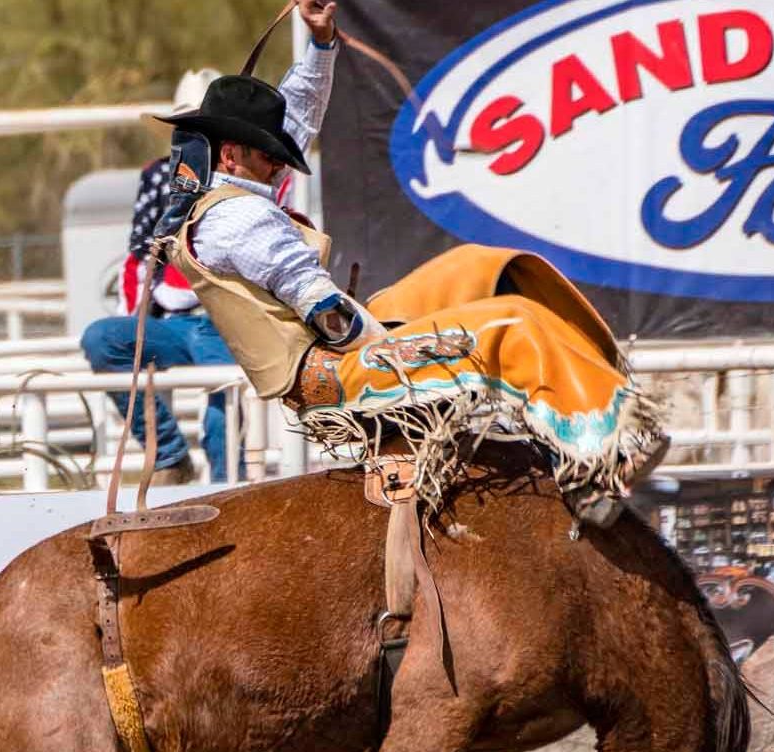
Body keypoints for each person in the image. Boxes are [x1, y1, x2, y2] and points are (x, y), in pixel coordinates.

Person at [158, 0, 661, 521]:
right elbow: (326, 311)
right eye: (270, 156)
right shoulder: (241, 218)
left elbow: (297, 117)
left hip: (333, 349)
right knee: (511, 325)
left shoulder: (232, 194)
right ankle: (592, 459)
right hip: (333, 367)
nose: (279, 164)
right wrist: (395, 345)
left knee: (481, 267)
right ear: (232, 154)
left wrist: (321, 44)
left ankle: (598, 406)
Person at [77, 67, 233, 485]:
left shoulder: (246, 179)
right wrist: (139, 311)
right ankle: (168, 455)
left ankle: (227, 485)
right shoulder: (158, 177)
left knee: (225, 404)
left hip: (227, 320)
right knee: (102, 340)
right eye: (188, 126)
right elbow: (140, 254)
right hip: (177, 320)